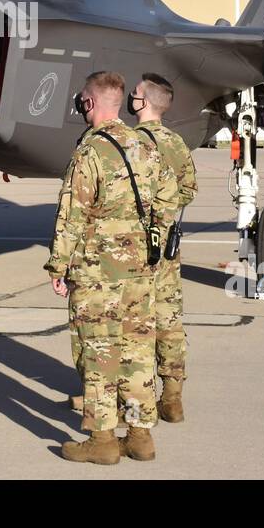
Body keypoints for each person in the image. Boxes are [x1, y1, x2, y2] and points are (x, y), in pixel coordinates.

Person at [45, 71, 177, 464]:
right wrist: (149, 242)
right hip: (140, 272)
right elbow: (168, 201)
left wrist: (58, 264)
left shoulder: (89, 152)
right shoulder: (144, 146)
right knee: (137, 352)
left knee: (100, 352)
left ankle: (102, 441)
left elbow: (71, 213)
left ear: (89, 102)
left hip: (97, 274)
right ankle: (140, 437)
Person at [128, 73, 198, 422]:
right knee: (169, 320)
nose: (131, 97)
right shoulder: (176, 142)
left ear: (146, 102)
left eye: (136, 93)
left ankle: (129, 400)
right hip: (167, 247)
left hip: (136, 247)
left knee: (133, 323)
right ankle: (173, 398)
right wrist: (166, 216)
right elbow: (188, 188)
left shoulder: (132, 142)